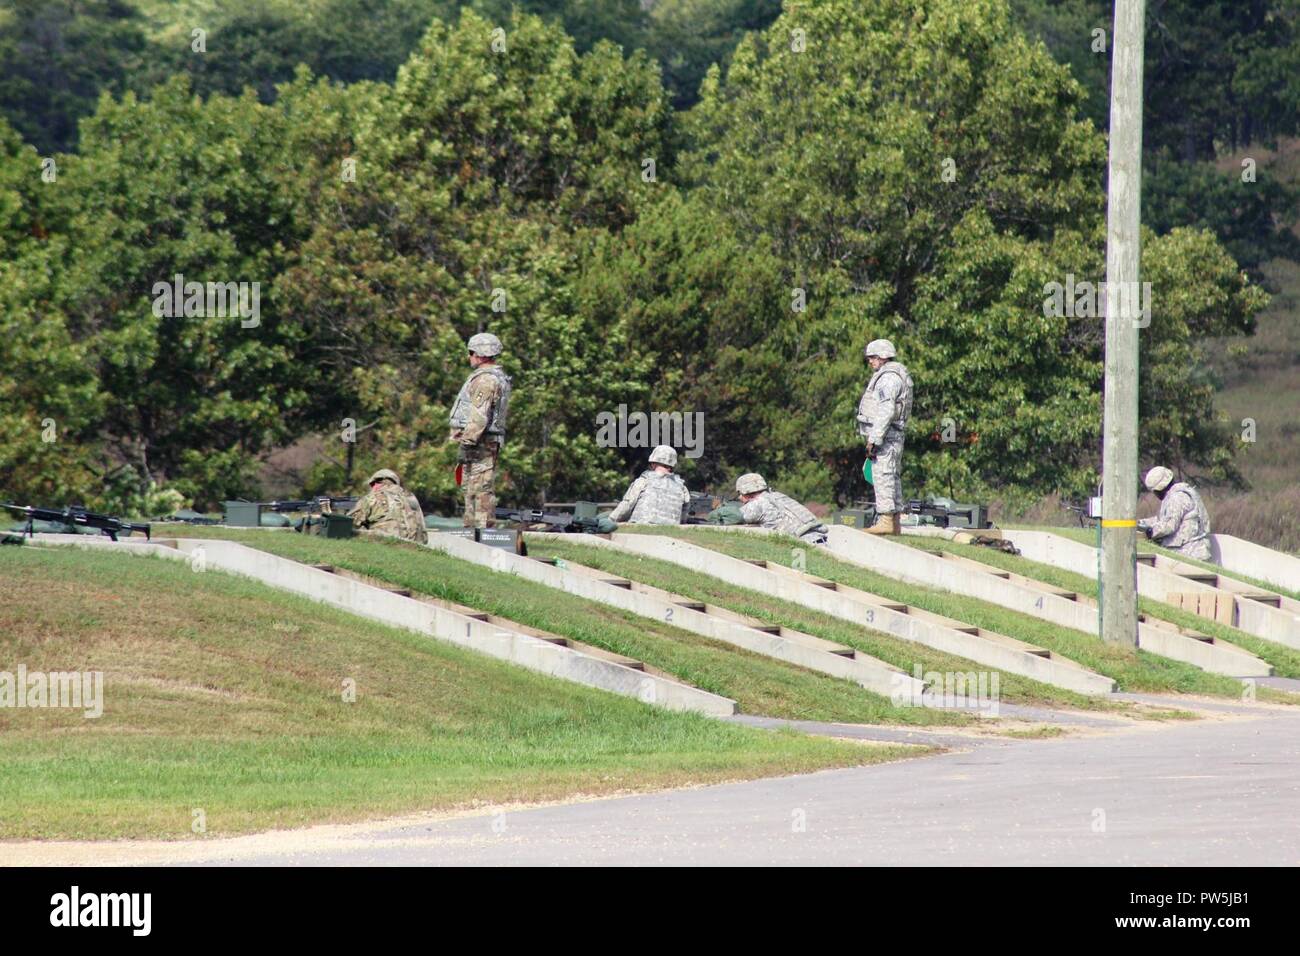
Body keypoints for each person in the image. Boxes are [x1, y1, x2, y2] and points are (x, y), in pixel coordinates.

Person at [448, 332, 512, 528]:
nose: (469, 356)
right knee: (473, 488)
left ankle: (480, 532)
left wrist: (466, 441)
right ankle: (473, 531)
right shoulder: (493, 377)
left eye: (471, 352)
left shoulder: (485, 380)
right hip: (481, 442)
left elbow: (479, 417)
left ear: (479, 354)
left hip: (480, 443)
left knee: (479, 489)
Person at [856, 338, 913, 535]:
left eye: (872, 357)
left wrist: (874, 438)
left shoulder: (888, 378)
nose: (870, 362)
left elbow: (886, 410)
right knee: (892, 476)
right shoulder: (896, 374)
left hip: (887, 436)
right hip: (893, 435)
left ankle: (886, 520)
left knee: (883, 475)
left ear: (882, 357)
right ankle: (894, 522)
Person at [1138, 466, 1212, 561]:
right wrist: (1141, 523)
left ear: (1159, 489)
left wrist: (1149, 532)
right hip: (1192, 551)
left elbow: (1169, 525)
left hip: (1190, 553)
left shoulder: (1177, 497)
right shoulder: (1180, 493)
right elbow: (1163, 519)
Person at [734, 473, 828, 545]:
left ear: (746, 491)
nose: (739, 497)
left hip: (803, 545)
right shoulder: (779, 496)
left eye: (739, 493)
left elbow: (730, 518)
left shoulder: (757, 504)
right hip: (821, 540)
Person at [608, 445, 691, 525]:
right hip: (670, 531)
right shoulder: (682, 487)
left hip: (640, 529)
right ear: (671, 465)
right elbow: (683, 516)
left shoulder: (643, 481)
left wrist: (610, 520)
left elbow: (627, 505)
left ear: (653, 463)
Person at [348, 469, 428, 544]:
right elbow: (424, 537)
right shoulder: (411, 498)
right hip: (414, 548)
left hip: (386, 546)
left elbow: (347, 525)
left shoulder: (372, 497)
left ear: (376, 483)